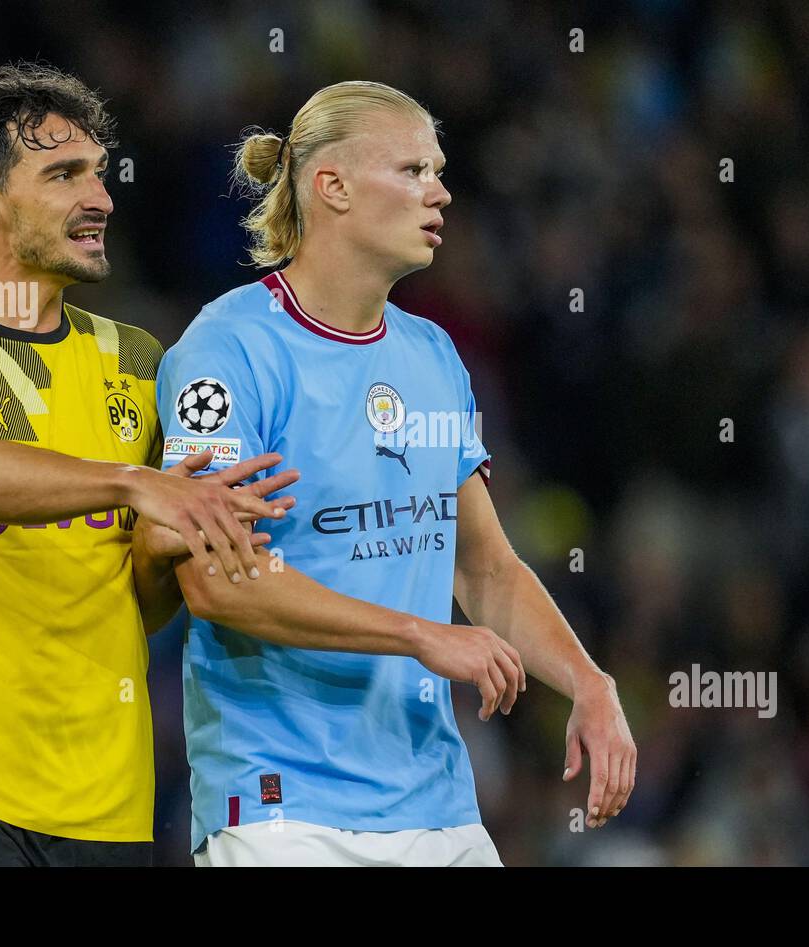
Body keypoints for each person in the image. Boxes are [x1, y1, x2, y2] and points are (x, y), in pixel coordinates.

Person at [146, 81, 635, 866]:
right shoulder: (227, 351)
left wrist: (588, 683)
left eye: (438, 171)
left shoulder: (434, 356)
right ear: (329, 186)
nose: (439, 191)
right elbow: (214, 582)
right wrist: (419, 635)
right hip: (282, 806)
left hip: (436, 802)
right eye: (411, 170)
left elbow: (487, 569)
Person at [0, 62, 293, 866]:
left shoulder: (142, 361)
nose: (102, 199)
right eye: (64, 175)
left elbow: (138, 606)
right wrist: (132, 482)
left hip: (110, 809)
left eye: (101, 175)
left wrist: (170, 542)